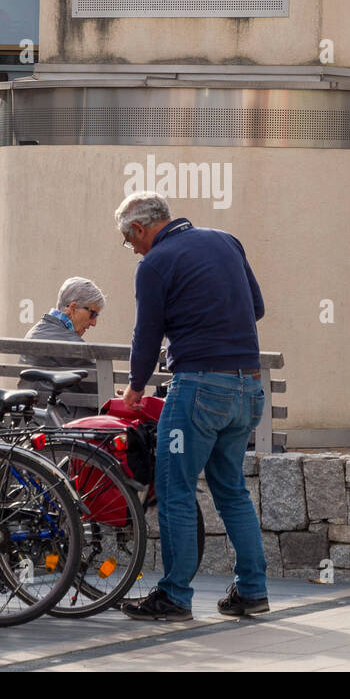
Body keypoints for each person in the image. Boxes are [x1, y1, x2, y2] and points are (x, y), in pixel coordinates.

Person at [113, 191, 269, 622]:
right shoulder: (226, 240)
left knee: (175, 489)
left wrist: (135, 386)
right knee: (232, 490)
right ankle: (252, 590)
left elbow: (146, 333)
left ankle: (175, 596)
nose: (132, 248)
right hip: (248, 387)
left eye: (130, 240)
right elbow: (256, 307)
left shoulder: (155, 265)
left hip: (199, 388)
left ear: (141, 229)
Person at [21, 276, 105, 368]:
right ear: (73, 308)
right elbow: (102, 380)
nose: (94, 323)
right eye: (93, 314)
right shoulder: (73, 346)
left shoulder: (35, 332)